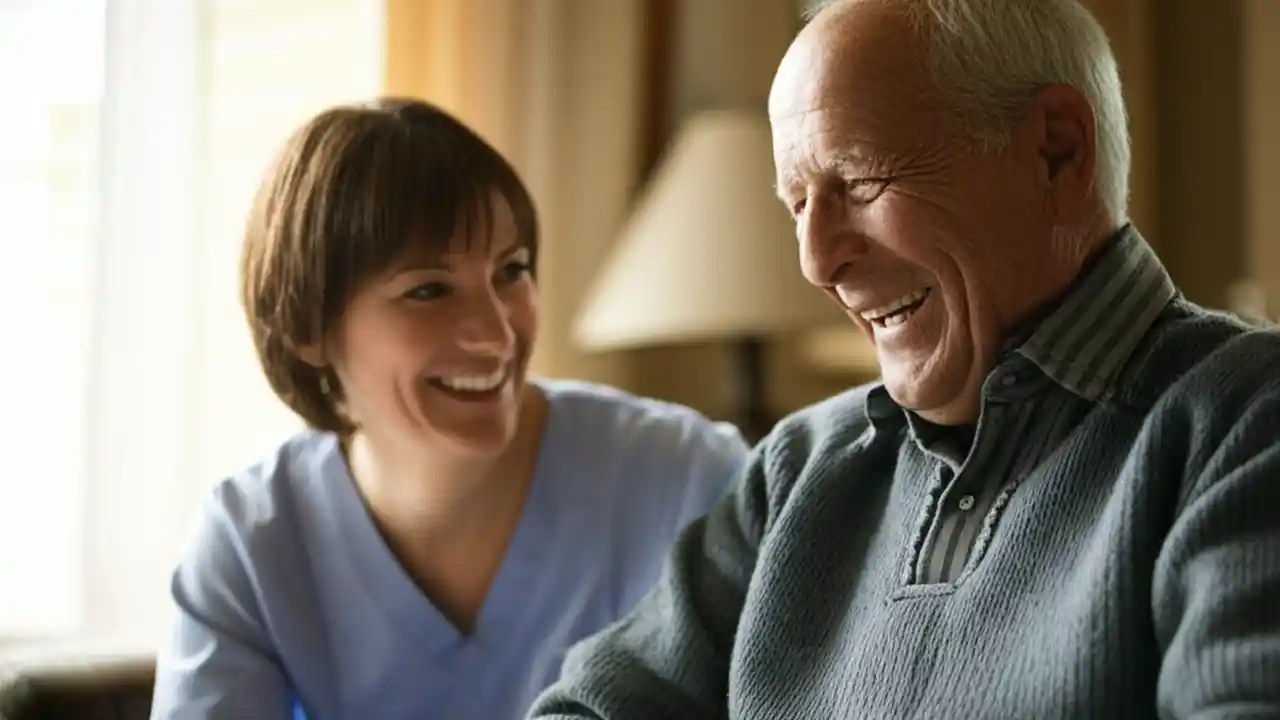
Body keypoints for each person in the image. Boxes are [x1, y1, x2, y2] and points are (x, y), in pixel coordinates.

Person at [530, 0, 1280, 717]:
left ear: (1057, 151)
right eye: (797, 204)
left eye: (858, 179)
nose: (817, 261)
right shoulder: (797, 469)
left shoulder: (1244, 422)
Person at [148, 98, 749, 720]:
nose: (496, 333)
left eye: (510, 271)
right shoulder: (253, 544)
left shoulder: (688, 478)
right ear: (310, 328)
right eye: (428, 290)